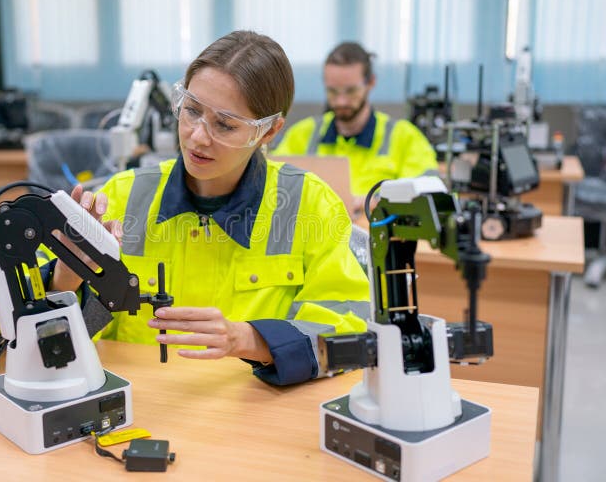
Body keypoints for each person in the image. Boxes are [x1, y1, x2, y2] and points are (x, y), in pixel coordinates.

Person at [38, 30, 369, 386]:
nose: (197, 136)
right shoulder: (122, 196)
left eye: (225, 124)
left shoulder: (310, 205)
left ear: (269, 131)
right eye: (192, 111)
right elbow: (35, 332)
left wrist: (250, 339)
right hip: (135, 401)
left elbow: (351, 334)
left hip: (251, 408)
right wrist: (66, 277)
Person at [272, 41, 438, 217]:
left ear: (371, 82)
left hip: (374, 230)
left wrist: (378, 201)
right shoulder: (302, 134)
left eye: (351, 91)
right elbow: (273, 185)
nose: (341, 101)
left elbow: (429, 192)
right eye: (332, 91)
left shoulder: (405, 136)